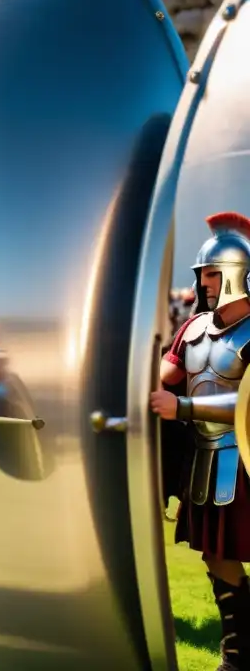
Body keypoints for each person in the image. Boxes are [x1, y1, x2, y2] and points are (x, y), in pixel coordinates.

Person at [151, 212, 250, 671]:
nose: (203, 283)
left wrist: (185, 409)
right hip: (206, 461)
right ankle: (238, 651)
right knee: (215, 555)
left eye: (212, 273)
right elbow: (164, 379)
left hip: (246, 460)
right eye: (201, 273)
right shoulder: (192, 330)